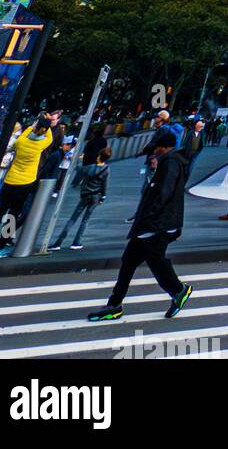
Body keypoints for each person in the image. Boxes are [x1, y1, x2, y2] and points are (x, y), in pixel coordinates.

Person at [87, 129, 192, 322]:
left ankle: (178, 290)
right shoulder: (169, 161)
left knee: (154, 261)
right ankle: (115, 304)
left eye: (157, 148)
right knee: (130, 261)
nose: (155, 152)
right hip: (153, 224)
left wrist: (150, 216)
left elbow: (164, 193)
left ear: (165, 147)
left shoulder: (171, 163)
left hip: (156, 225)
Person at [0, 114, 55, 258]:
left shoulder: (21, 141)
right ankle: (0, 248)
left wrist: (37, 123)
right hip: (25, 183)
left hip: (10, 181)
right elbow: (50, 138)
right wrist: (48, 124)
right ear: (44, 130)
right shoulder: (40, 145)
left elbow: (28, 131)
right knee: (12, 217)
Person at [49, 145, 111, 250]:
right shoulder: (107, 169)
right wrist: (103, 197)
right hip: (96, 197)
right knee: (85, 220)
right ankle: (76, 242)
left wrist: (79, 160)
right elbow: (105, 185)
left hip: (85, 195)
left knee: (73, 219)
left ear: (99, 156)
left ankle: (58, 243)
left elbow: (77, 168)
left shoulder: (90, 167)